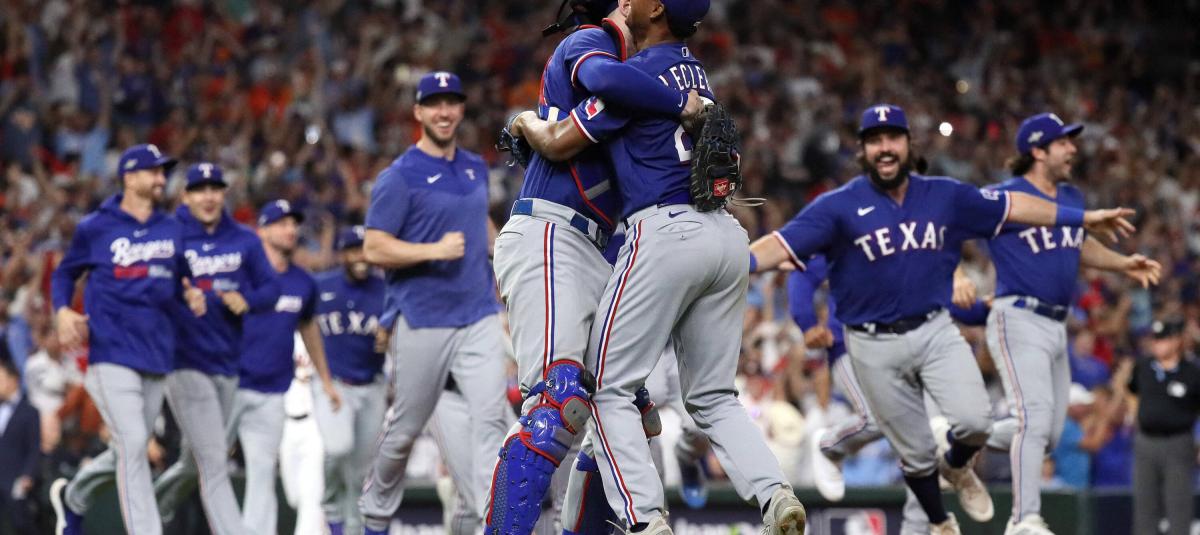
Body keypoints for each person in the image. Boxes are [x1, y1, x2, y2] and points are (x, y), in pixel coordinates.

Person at [749, 104, 1137, 534]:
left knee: (975, 422)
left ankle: (955, 466)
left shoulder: (944, 195)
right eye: (875, 139)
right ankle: (939, 522)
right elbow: (781, 248)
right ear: (862, 150)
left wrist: (1080, 218)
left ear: (909, 144)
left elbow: (1015, 208)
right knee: (914, 453)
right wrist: (732, 261)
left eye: (893, 137)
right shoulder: (839, 207)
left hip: (934, 330)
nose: (885, 147)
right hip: (870, 342)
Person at [517, 1, 808, 532]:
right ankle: (775, 493)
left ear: (655, 9)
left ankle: (645, 519)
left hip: (666, 231)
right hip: (725, 235)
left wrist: (523, 121)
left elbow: (559, 144)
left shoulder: (638, 76)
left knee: (605, 388)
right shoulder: (698, 76)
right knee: (714, 396)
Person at [488, 0, 703, 531]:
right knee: (560, 404)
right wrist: (681, 102)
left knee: (630, 416)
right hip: (553, 231)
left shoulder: (642, 81)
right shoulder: (591, 39)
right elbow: (600, 78)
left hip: (599, 248)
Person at [980, 112, 1160, 535]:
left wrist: (1122, 264)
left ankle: (963, 433)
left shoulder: (1073, 197)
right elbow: (953, 228)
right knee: (1034, 421)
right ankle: (1024, 519)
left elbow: (1077, 244)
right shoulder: (1002, 197)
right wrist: (952, 276)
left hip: (1057, 325)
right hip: (1017, 314)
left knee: (1051, 434)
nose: (1073, 149)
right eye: (1063, 142)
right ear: (1038, 151)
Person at [360, 71, 510, 535]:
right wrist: (431, 250)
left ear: (461, 109)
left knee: (492, 419)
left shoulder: (473, 167)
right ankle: (375, 513)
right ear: (419, 112)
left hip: (479, 315)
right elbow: (373, 247)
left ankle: (496, 521)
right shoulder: (398, 177)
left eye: (452, 103)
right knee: (405, 430)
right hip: (423, 319)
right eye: (435, 104)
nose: (445, 112)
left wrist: (503, 255)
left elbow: (478, 221)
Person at [49, 143, 207, 535]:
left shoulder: (172, 227)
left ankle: (75, 497)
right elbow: (64, 273)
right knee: (135, 443)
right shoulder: (96, 226)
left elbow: (184, 278)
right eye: (153, 171)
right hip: (110, 353)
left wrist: (191, 292)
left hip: (156, 354)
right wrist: (63, 310)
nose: (160, 178)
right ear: (129, 176)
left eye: (162, 171)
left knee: (127, 447)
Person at [154, 162, 280, 534]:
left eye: (215, 188)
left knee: (197, 461)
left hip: (228, 361)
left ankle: (158, 500)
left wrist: (249, 299)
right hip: (184, 360)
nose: (208, 196)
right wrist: (180, 292)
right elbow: (151, 286)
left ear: (224, 193)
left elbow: (272, 288)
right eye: (199, 189)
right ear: (185, 196)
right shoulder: (170, 235)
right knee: (214, 461)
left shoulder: (244, 238)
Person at [231, 199, 341, 534]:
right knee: (198, 467)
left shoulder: (302, 282)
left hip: (271, 392)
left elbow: (309, 329)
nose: (291, 229)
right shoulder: (240, 272)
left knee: (263, 475)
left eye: (294, 223)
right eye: (281, 223)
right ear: (261, 230)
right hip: (229, 385)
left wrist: (325, 379)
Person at [312, 225, 387, 535]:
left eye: (365, 249)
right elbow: (301, 324)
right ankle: (330, 504)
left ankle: (351, 528)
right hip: (334, 383)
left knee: (360, 471)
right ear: (342, 253)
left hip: (372, 384)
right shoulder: (320, 286)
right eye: (353, 249)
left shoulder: (386, 289)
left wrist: (390, 334)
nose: (360, 257)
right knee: (338, 448)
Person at [1128, 318, 1200, 535]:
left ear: (1176, 341)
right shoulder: (1143, 366)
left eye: (1163, 340)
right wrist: (1135, 417)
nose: (1158, 344)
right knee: (1144, 503)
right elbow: (1131, 391)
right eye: (1156, 339)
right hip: (1146, 441)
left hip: (1178, 442)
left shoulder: (1191, 372)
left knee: (1178, 503)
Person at [0, 357, 40, 534]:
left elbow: (34, 447)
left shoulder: (29, 412)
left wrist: (27, 475)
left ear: (13, 379)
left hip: (14, 480)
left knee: (20, 524)